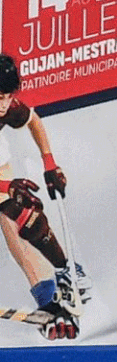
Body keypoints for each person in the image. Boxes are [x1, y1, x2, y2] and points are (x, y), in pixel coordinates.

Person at [0, 54, 77, 339]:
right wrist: (5, 187)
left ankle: (52, 292)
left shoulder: (6, 107)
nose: (4, 105)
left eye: (8, 96)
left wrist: (49, 163)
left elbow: (33, 121)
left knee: (16, 215)